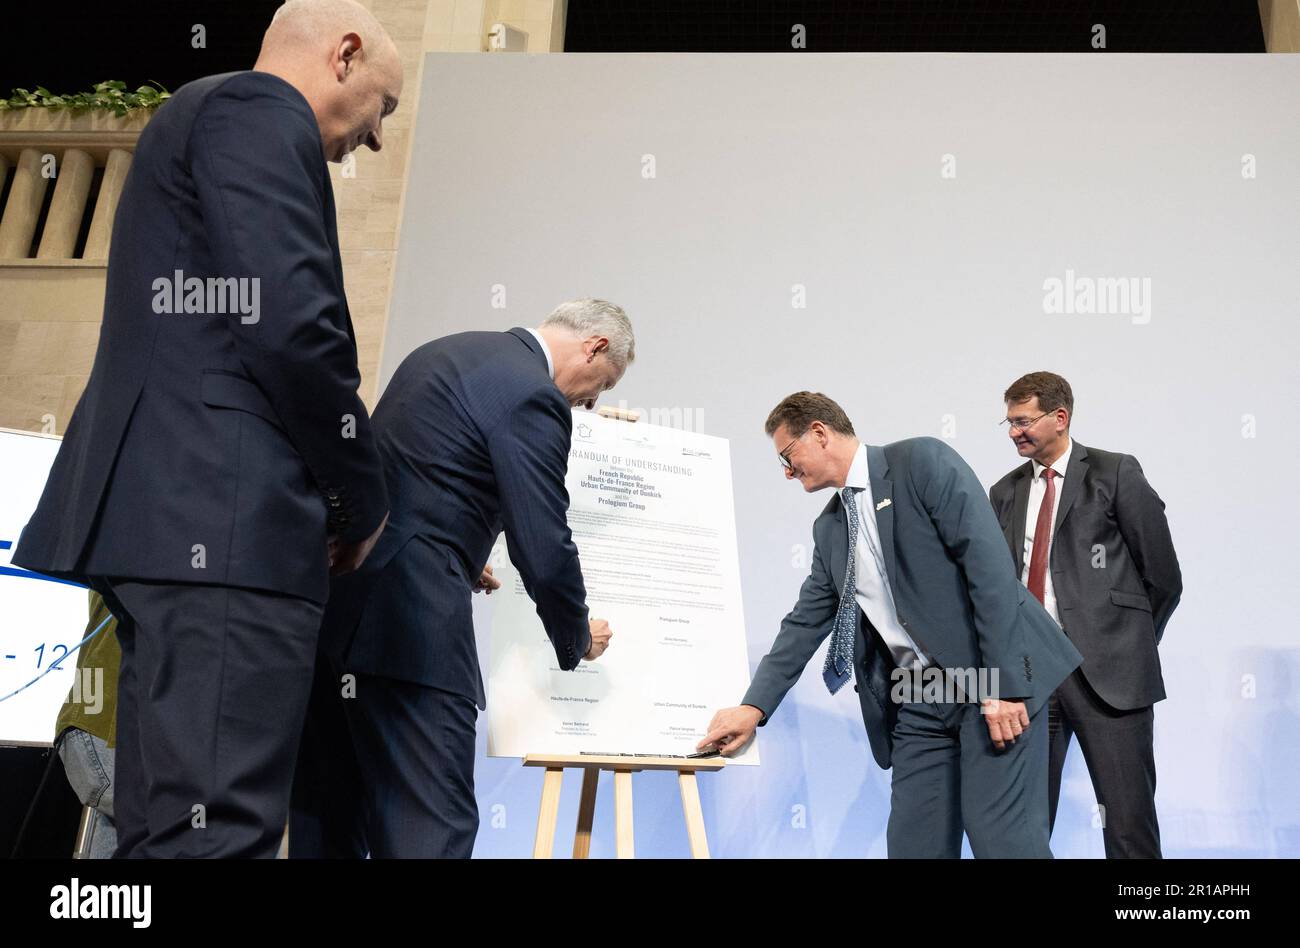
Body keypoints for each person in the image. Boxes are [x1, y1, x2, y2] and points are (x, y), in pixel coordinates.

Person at [12, 0, 404, 857]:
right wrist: (364, 500)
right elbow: (295, 324)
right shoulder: (256, 109)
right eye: (387, 106)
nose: (377, 137)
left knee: (164, 832)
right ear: (343, 55)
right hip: (227, 525)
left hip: (179, 531)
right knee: (218, 833)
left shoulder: (208, 116)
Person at [290, 299, 632, 858]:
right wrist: (576, 637)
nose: (592, 402)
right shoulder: (534, 394)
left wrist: (459, 553)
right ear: (594, 345)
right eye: (603, 384)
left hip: (339, 614)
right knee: (433, 824)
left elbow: (407, 475)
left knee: (330, 817)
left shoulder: (443, 351)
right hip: (409, 629)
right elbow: (542, 542)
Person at [699, 392, 1082, 857]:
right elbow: (804, 622)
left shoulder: (920, 461)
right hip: (918, 697)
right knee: (913, 845)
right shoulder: (831, 528)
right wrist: (753, 708)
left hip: (988, 680)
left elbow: (990, 572)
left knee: (1002, 840)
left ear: (819, 433)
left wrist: (1001, 686)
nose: (786, 471)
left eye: (787, 455)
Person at [990, 371, 1181, 858]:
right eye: (1008, 422)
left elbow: (1162, 577)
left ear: (1060, 417)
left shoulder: (1115, 473)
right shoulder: (1003, 493)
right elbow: (996, 588)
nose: (1014, 432)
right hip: (1031, 679)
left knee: (1127, 825)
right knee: (1025, 826)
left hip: (1110, 676)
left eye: (1023, 420)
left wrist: (1126, 641)